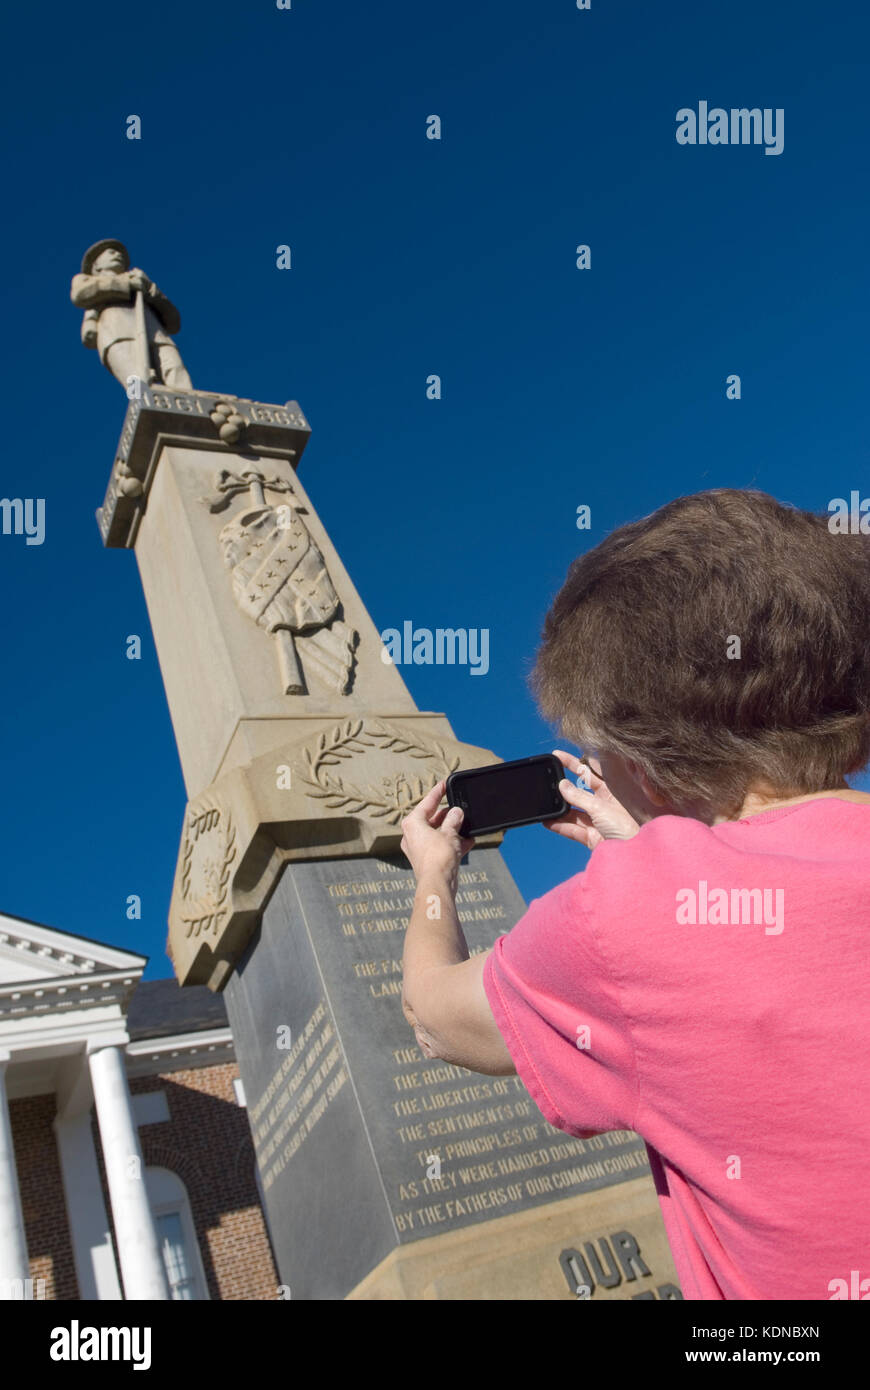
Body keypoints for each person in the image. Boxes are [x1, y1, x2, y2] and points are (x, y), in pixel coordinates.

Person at [399, 488, 870, 1300]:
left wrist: (434, 872)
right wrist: (659, 854)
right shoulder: (657, 896)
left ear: (641, 760)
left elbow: (436, 1018)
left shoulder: (625, 914)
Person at [71, 239, 193, 391]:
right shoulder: (86, 280)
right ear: (97, 265)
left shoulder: (141, 281)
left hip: (154, 332)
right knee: (136, 383)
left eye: (120, 253)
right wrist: (126, 284)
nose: (118, 255)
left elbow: (173, 322)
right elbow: (80, 294)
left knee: (175, 368)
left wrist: (151, 290)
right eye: (111, 252)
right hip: (116, 330)